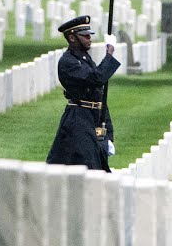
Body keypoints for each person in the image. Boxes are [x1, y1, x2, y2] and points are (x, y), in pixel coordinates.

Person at [45, 15, 119, 171]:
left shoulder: (84, 59)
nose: (89, 38)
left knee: (97, 166)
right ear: (72, 38)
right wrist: (109, 54)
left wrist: (108, 135)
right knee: (87, 166)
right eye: (84, 36)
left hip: (92, 117)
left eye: (89, 35)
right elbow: (97, 78)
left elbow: (98, 96)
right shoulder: (68, 62)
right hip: (78, 119)